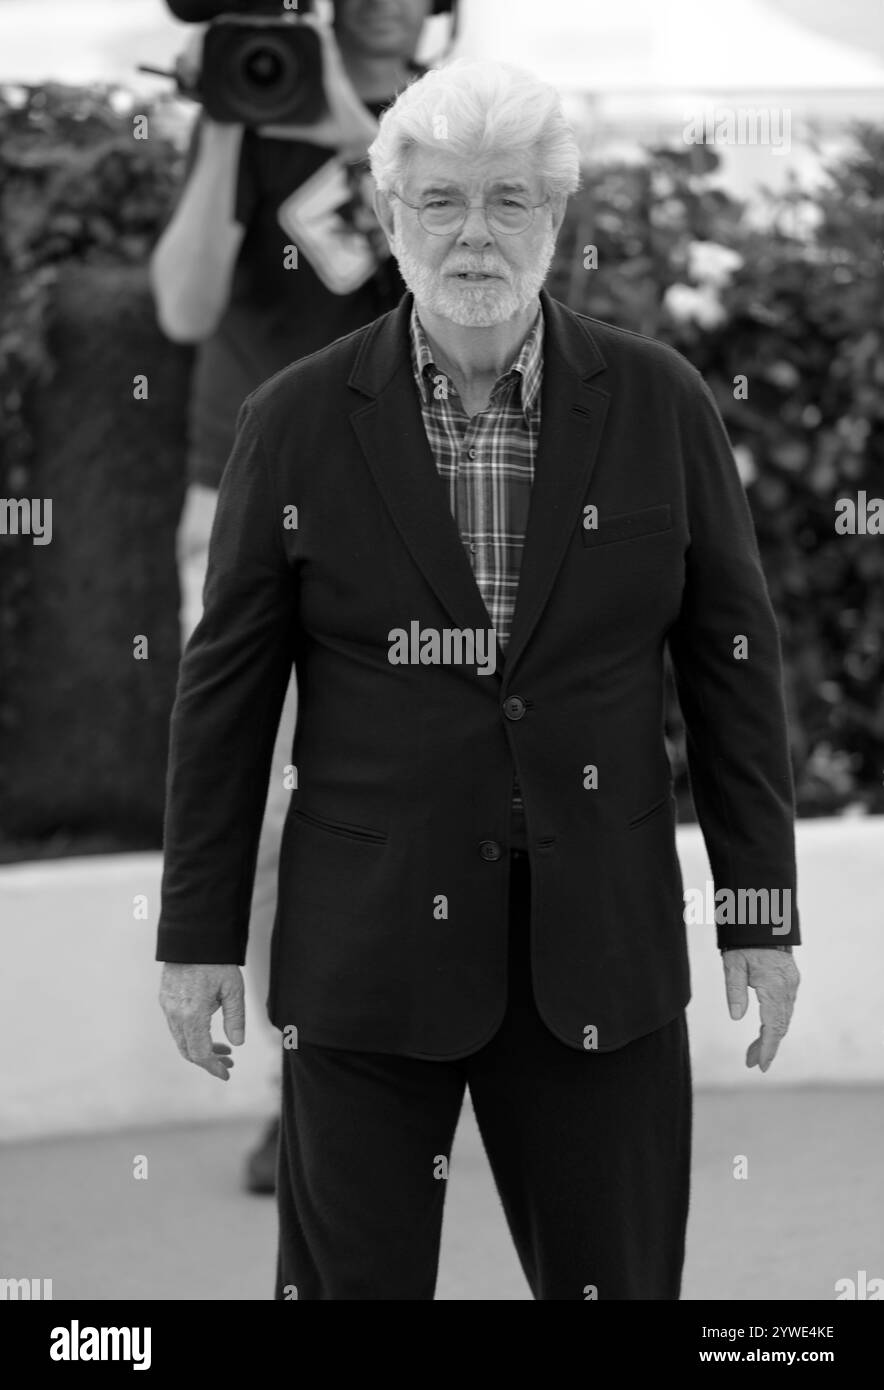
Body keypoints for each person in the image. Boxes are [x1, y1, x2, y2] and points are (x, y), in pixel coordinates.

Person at [156, 59, 801, 1300]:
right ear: (388, 217)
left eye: (509, 199)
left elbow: (731, 670)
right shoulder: (291, 420)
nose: (473, 232)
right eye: (440, 199)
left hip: (598, 958)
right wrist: (195, 938)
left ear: (554, 223)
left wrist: (758, 910)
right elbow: (222, 699)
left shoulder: (659, 403)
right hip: (364, 962)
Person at [150, 0, 440, 1193]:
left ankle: (423, 1057)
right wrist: (228, 117)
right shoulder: (246, 111)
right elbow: (178, 306)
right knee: (266, 806)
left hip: (405, 504)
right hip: (239, 495)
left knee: (411, 798)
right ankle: (301, 1083)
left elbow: (435, 274)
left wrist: (337, 115)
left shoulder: (439, 129)